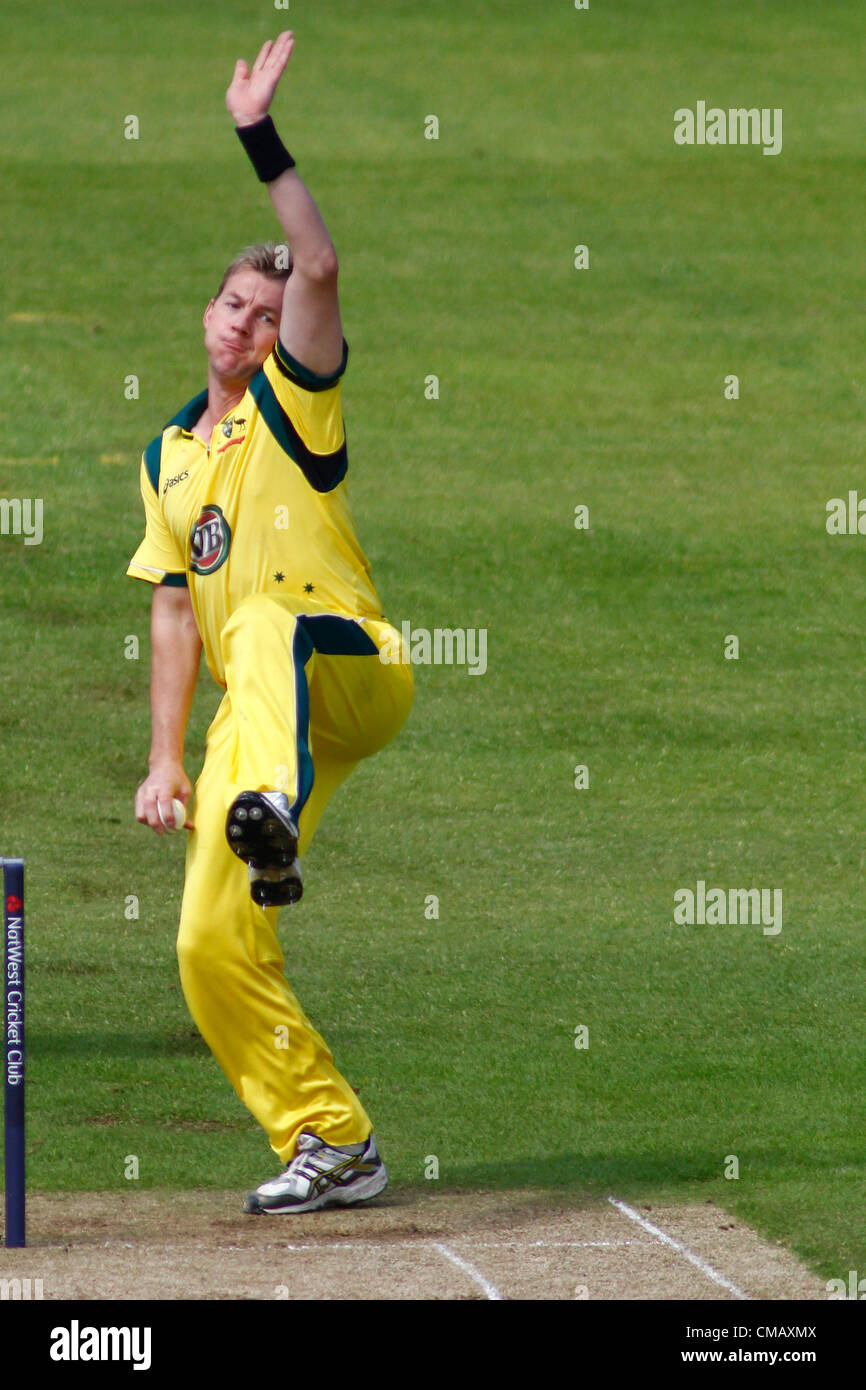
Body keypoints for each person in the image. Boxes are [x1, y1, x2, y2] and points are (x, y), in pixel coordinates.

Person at [127, 32, 413, 1214]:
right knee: (204, 945)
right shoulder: (170, 457)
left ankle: (275, 817)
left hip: (348, 665)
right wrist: (161, 759)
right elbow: (172, 616)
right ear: (207, 313)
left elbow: (321, 259)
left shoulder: (297, 406)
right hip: (258, 718)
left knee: (269, 634)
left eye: (265, 312)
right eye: (235, 305)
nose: (247, 325)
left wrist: (258, 134)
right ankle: (330, 1137)